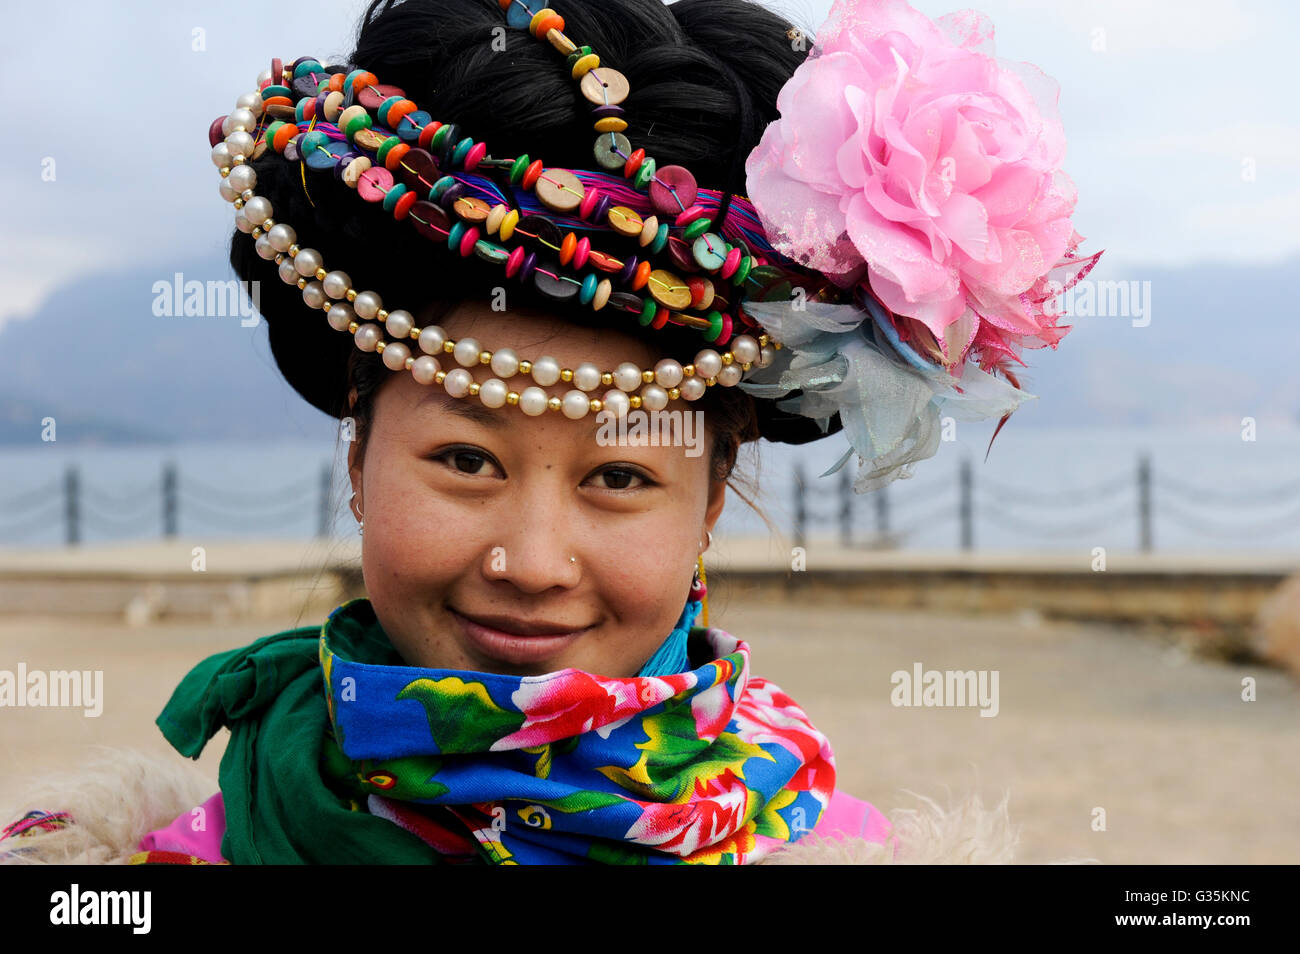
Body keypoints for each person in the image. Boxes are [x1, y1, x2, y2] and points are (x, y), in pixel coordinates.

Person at [0, 0, 1099, 865]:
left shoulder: (844, 857)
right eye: (465, 460)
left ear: (710, 499)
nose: (528, 563)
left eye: (618, 474)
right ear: (358, 455)